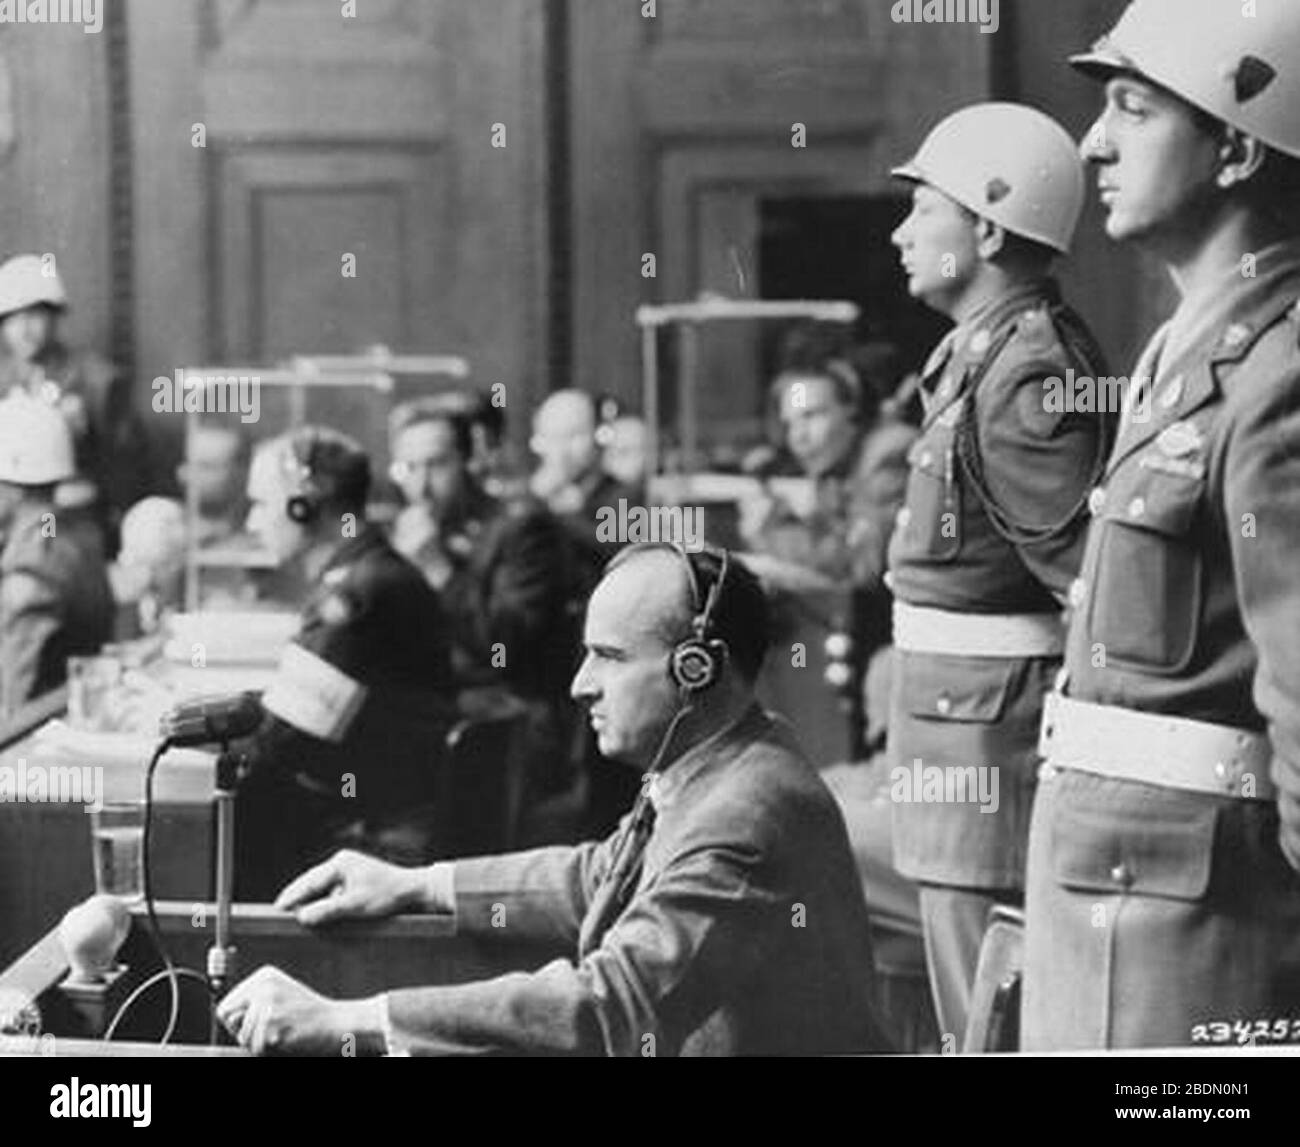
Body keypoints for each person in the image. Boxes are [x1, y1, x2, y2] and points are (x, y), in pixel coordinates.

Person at [216, 545, 887, 1056]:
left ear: (695, 669)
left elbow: (606, 1007)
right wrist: (417, 883)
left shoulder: (747, 812)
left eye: (609, 656)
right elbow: (601, 874)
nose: (579, 685)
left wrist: (350, 1017)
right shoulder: (726, 762)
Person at [1022, 0, 1300, 1050]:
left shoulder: (1277, 373)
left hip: (1199, 923)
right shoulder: (1184, 349)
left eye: (1132, 110)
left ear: (1232, 146)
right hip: (1119, 887)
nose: (1092, 140)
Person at [884, 101, 1114, 1040]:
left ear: (984, 226)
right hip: (955, 734)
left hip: (988, 744)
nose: (901, 233)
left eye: (922, 208)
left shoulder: (1024, 371)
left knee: (988, 1019)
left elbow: (1093, 590)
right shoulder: (986, 356)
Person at [234, 426, 455, 900]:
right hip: (377, 813)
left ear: (304, 505)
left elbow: (280, 739)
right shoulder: (371, 571)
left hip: (368, 838)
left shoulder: (357, 593)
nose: (252, 522)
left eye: (260, 503)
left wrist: (181, 728)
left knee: (229, 822)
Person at [387, 400, 576, 799]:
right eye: (408, 468)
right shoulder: (407, 531)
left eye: (437, 465)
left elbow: (502, 648)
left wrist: (438, 571)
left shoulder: (522, 527)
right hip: (440, 711)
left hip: (509, 722)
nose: (420, 486)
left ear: (469, 462)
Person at [0, 254, 158, 552]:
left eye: (34, 314)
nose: (24, 329)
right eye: (12, 318)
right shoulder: (2, 382)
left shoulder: (98, 382)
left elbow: (128, 472)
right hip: (11, 526)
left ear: (55, 316)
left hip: (79, 523)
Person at [0, 394, 113, 717]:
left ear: (11, 487)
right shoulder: (67, 530)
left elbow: (15, 701)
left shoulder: (33, 564)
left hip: (32, 748)